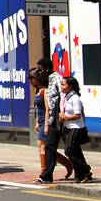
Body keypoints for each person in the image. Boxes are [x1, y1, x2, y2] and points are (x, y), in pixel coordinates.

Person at [28, 68, 72, 180]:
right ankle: (66, 163)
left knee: (43, 146)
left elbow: (48, 109)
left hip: (47, 120)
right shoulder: (37, 91)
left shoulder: (45, 91)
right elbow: (38, 108)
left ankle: (44, 171)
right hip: (41, 120)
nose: (30, 81)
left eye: (31, 78)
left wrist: (47, 124)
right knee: (45, 147)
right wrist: (37, 121)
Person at [34, 56, 67, 184]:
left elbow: (63, 95)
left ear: (47, 69)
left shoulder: (57, 78)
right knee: (50, 147)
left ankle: (83, 170)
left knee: (70, 148)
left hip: (59, 118)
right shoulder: (47, 80)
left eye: (40, 69)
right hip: (51, 119)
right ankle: (46, 175)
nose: (38, 72)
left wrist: (62, 113)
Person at [60, 76, 94, 183]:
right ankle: (81, 174)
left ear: (70, 86)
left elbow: (78, 115)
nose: (61, 87)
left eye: (63, 85)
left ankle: (85, 170)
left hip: (76, 127)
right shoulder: (65, 97)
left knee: (68, 150)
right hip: (68, 127)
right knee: (76, 151)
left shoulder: (75, 99)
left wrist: (66, 117)